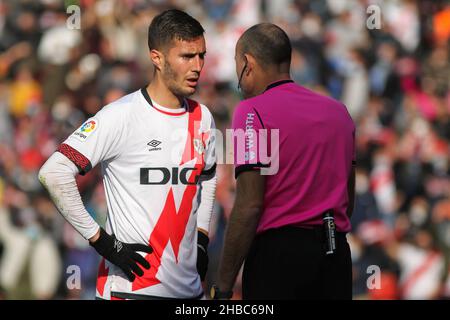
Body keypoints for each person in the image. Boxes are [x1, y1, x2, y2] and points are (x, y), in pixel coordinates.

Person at [39, 9, 217, 300]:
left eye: (202, 55)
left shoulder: (203, 117)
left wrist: (201, 239)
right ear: (156, 57)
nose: (197, 66)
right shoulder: (120, 115)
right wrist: (103, 243)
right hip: (129, 291)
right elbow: (53, 172)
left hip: (190, 295)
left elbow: (207, 178)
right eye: (186, 56)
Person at [213, 23, 355, 300]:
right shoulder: (339, 112)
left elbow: (250, 204)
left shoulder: (251, 111)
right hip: (336, 255)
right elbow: (347, 197)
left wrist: (224, 286)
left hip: (279, 259)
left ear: (247, 63)